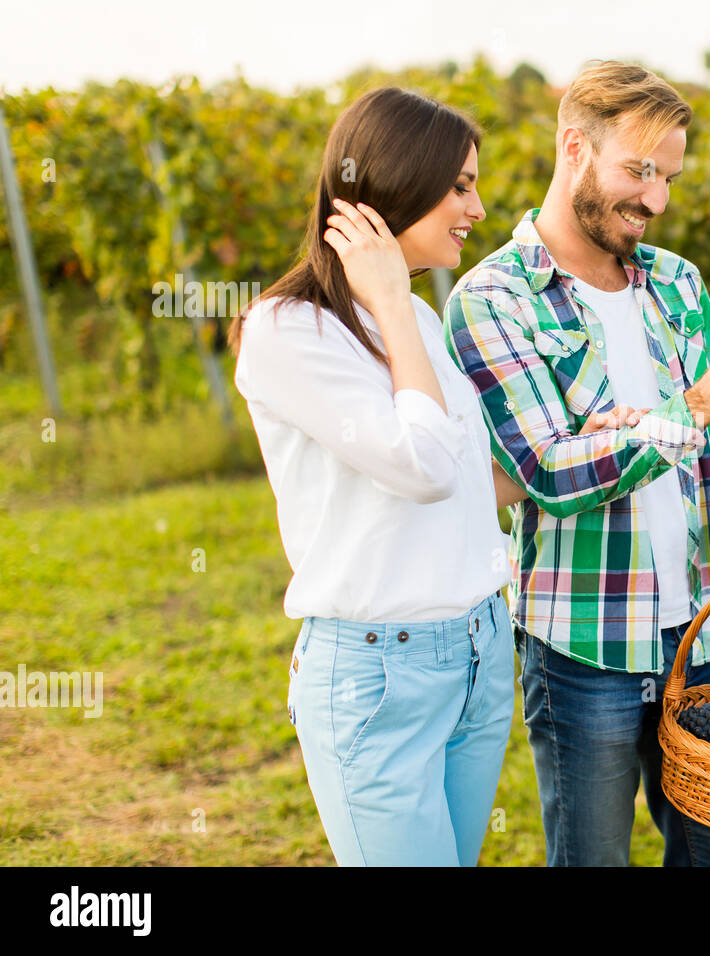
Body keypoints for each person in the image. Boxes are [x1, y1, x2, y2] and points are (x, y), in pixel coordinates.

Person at [228, 87, 630, 866]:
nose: (477, 207)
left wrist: (595, 439)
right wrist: (382, 290)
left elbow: (470, 478)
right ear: (393, 187)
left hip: (476, 652)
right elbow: (422, 470)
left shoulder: (412, 319)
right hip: (379, 675)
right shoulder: (288, 331)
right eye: (459, 186)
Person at [443, 60, 710, 867]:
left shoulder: (677, 282)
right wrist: (692, 414)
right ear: (575, 149)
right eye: (639, 170)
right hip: (583, 647)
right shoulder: (494, 298)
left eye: (668, 176)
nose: (657, 199)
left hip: (707, 631)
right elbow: (553, 474)